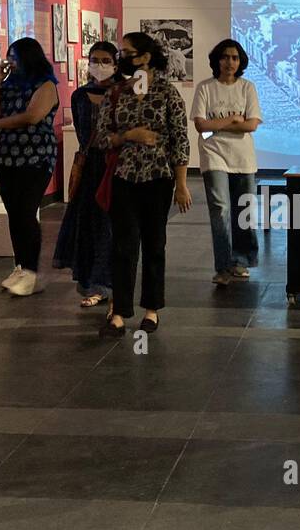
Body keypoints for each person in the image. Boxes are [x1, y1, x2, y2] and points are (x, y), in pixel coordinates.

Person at [96, 32, 191, 337]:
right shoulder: (117, 93)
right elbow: (101, 137)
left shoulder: (167, 92)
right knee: (123, 246)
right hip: (123, 177)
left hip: (158, 178)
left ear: (146, 57)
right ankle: (119, 311)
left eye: (128, 52)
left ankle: (152, 309)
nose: (123, 57)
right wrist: (128, 136)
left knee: (154, 244)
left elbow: (180, 140)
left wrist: (182, 184)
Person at [0, 37, 60, 296]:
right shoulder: (8, 85)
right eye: (8, 57)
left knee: (26, 212)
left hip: (35, 157)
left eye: (14, 57)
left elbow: (32, 116)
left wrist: (0, 125)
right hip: (5, 157)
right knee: (15, 214)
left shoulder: (46, 85)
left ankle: (31, 271)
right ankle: (20, 266)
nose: (10, 62)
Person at [52, 41, 120, 307]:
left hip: (114, 165)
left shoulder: (122, 92)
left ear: (115, 62)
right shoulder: (80, 95)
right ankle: (90, 281)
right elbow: (83, 133)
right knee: (88, 224)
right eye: (95, 59)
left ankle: (106, 282)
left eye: (105, 60)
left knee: (109, 225)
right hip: (91, 166)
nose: (99, 65)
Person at [192, 39, 262, 285]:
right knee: (220, 211)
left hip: (243, 158)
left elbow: (251, 124)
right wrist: (233, 119)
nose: (230, 62)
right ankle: (223, 266)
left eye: (234, 57)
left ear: (240, 61)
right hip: (214, 156)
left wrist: (218, 125)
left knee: (243, 210)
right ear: (216, 60)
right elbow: (201, 125)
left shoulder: (247, 88)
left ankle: (241, 260)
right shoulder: (205, 88)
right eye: (225, 57)